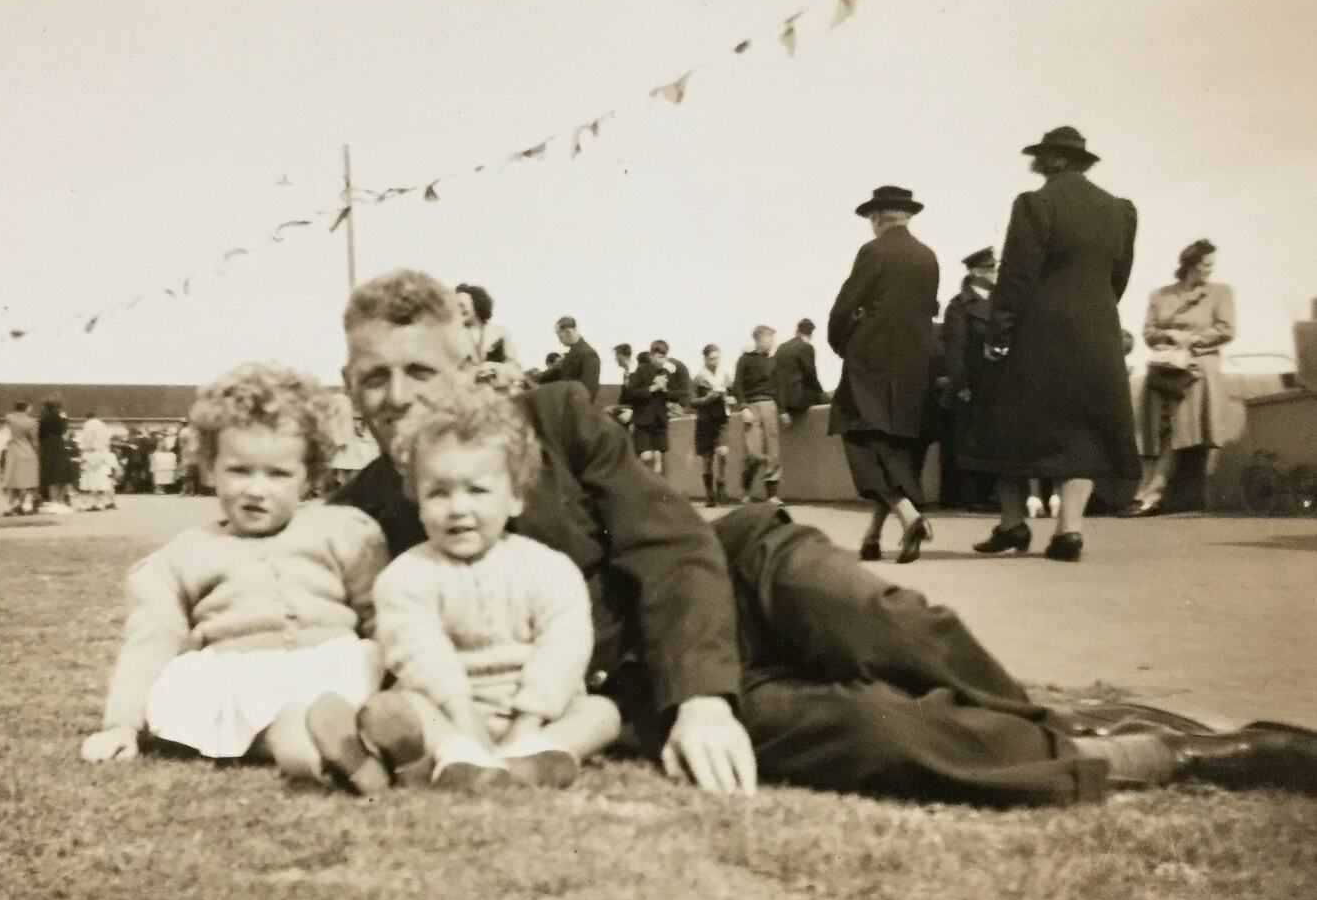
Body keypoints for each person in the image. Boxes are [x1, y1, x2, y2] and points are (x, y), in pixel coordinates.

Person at [331, 268, 1317, 804]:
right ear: (349, 387)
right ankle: (1161, 754)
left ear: (464, 359)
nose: (398, 398)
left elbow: (671, 544)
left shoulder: (557, 413)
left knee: (883, 623)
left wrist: (707, 696)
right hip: (632, 688)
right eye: (374, 378)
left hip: (734, 574)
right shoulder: (368, 506)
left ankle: (1070, 709)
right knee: (874, 732)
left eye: (420, 371)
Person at [80, 362, 393, 794]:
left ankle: (369, 735)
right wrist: (121, 724)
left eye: (278, 473)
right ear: (209, 468)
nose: (256, 489)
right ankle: (297, 741)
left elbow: (379, 614)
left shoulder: (341, 530)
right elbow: (151, 640)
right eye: (240, 471)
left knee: (370, 661)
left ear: (310, 475)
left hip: (332, 666)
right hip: (244, 680)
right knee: (184, 684)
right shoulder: (184, 555)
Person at [364, 384, 622, 790]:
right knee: (405, 704)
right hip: (450, 708)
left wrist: (528, 721)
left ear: (516, 497)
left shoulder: (547, 568)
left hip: (538, 711)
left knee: (603, 713)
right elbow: (417, 651)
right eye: (438, 493)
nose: (458, 508)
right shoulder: (406, 575)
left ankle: (533, 756)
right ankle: (455, 754)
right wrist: (463, 718)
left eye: (478, 491)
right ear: (416, 497)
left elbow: (564, 644)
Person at [960, 127, 1139, 562]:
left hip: (1037, 331)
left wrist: (999, 334)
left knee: (1003, 426)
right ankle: (1069, 531)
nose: (1035, 165)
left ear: (1055, 161)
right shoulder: (1121, 210)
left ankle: (1012, 524)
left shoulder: (1035, 203)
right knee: (1085, 434)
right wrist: (1093, 314)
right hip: (1097, 332)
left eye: (1041, 157)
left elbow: (1017, 276)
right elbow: (1120, 276)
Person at [828, 186, 940, 563]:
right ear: (907, 216)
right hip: (915, 367)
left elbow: (844, 307)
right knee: (896, 447)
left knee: (863, 441)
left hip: (872, 363)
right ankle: (873, 535)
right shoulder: (928, 256)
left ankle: (908, 515)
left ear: (876, 218)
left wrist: (845, 342)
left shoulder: (874, 251)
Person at [1125, 239, 1236, 517]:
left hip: (1195, 371)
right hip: (1165, 368)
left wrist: (1192, 339)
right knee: (1154, 433)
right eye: (1205, 265)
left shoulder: (1220, 293)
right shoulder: (1160, 296)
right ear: (1190, 264)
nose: (1210, 270)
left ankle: (1152, 494)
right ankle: (1145, 492)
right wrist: (1168, 337)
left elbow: (1226, 329)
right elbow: (1149, 333)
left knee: (1175, 431)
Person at [938, 247, 1001, 511]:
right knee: (969, 440)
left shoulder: (1002, 302)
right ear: (976, 273)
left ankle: (985, 493)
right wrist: (961, 384)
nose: (996, 273)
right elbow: (954, 350)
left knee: (992, 438)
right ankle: (971, 496)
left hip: (998, 383)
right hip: (972, 385)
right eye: (991, 268)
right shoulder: (959, 306)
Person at [731, 326, 783, 504]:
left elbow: (779, 387)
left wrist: (782, 411)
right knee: (753, 453)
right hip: (752, 406)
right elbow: (737, 385)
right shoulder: (745, 360)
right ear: (759, 339)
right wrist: (743, 407)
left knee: (773, 450)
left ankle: (772, 494)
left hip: (770, 405)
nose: (772, 343)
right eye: (770, 338)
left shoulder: (774, 361)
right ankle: (746, 489)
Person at [454, 283, 524, 390]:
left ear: (477, 304)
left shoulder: (500, 333)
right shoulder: (452, 337)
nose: (458, 310)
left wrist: (495, 369)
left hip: (499, 397)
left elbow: (518, 371)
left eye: (462, 305)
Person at [690, 344, 736, 507]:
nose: (715, 361)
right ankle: (709, 493)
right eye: (711, 358)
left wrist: (731, 399)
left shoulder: (725, 375)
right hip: (705, 421)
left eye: (717, 358)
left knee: (723, 452)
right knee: (707, 459)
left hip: (722, 418)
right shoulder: (699, 378)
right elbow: (691, 401)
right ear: (705, 359)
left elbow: (733, 394)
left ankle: (721, 483)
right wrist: (707, 398)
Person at [622, 343, 675, 475]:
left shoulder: (667, 373)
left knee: (658, 461)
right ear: (651, 356)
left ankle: (655, 491)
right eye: (659, 356)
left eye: (664, 357)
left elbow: (677, 396)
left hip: (659, 421)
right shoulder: (641, 370)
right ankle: (636, 479)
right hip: (643, 421)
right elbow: (631, 393)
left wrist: (664, 390)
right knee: (646, 457)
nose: (662, 360)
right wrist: (652, 388)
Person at [536, 316, 602, 402]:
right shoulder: (572, 353)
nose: (560, 341)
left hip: (575, 409)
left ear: (568, 332)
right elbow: (555, 374)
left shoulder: (588, 354)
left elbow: (588, 390)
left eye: (560, 337)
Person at [773, 318, 827, 419]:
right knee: (827, 399)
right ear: (811, 334)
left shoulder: (781, 347)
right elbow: (811, 375)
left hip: (782, 400)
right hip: (798, 399)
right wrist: (822, 393)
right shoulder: (806, 347)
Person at [2, 403, 39, 516]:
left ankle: (12, 505)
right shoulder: (31, 422)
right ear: (27, 408)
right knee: (29, 479)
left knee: (14, 479)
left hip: (13, 451)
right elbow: (34, 439)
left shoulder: (10, 419)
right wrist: (38, 450)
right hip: (27, 450)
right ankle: (26, 505)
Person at [77, 411, 117, 512]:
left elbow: (87, 440)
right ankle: (110, 502)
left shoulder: (88, 425)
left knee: (93, 479)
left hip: (92, 453)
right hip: (104, 453)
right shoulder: (103, 425)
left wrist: (82, 449)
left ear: (87, 418)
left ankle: (95, 503)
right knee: (104, 478)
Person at [37, 398, 73, 513]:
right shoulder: (61, 417)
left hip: (47, 447)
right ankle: (60, 501)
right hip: (59, 445)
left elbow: (40, 434)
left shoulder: (42, 418)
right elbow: (63, 430)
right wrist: (64, 419)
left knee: (51, 476)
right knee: (63, 476)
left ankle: (53, 502)